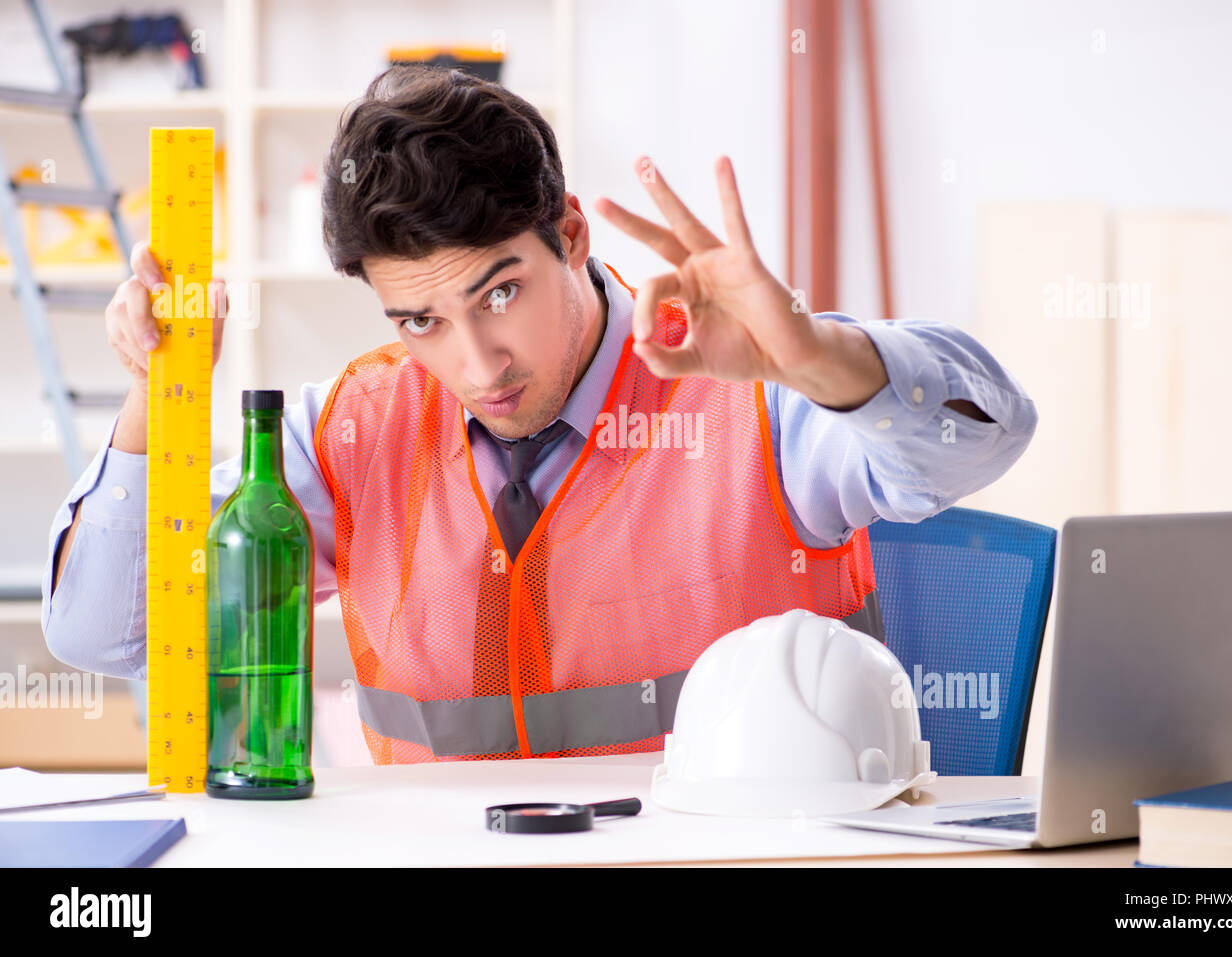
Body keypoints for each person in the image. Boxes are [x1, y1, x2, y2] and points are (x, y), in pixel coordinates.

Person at [43, 65, 1037, 764]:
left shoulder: (744, 389)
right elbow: (109, 634)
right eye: (419, 320)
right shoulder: (350, 431)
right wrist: (155, 397)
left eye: (501, 293)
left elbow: (988, 437)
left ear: (567, 233)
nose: (475, 364)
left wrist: (823, 359)